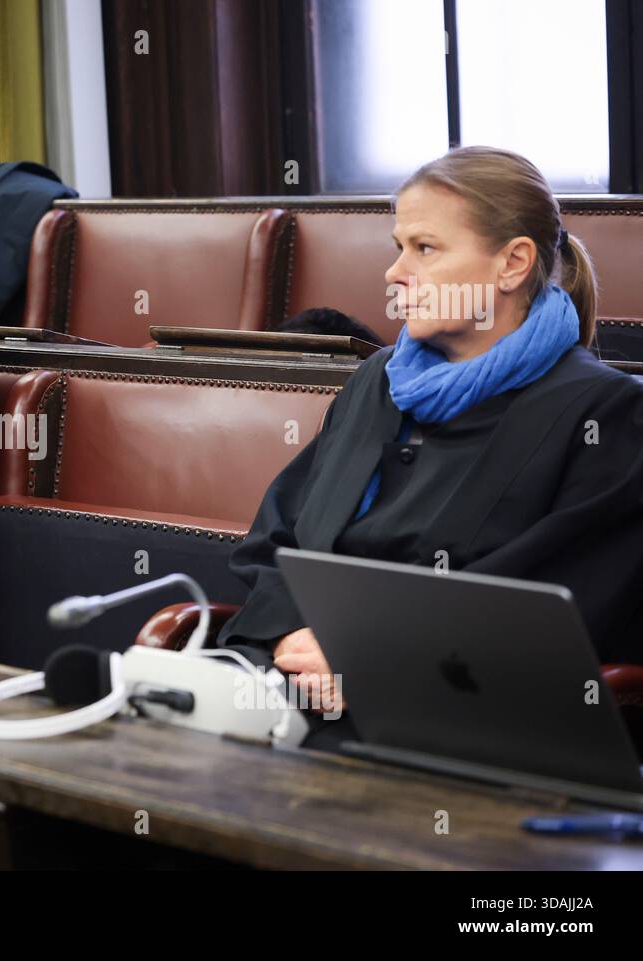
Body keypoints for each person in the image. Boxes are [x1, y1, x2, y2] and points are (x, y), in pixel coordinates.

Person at [216, 146, 643, 719]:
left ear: (513, 264)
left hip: (456, 729)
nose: (396, 273)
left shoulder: (604, 414)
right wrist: (287, 634)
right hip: (288, 695)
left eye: (425, 249)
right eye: (399, 248)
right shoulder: (378, 381)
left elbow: (552, 617)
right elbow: (275, 542)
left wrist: (372, 662)